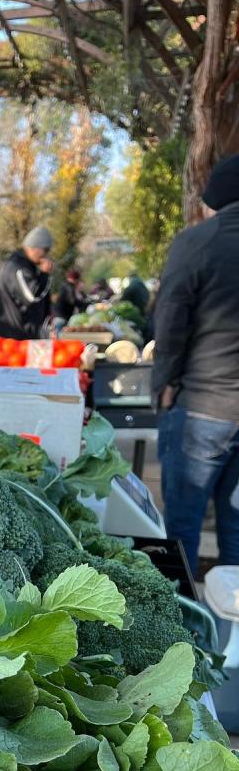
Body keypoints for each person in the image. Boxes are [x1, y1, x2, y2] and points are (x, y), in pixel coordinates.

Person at [153, 153, 239, 575]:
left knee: (181, 527)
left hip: (203, 407)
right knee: (237, 530)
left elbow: (170, 320)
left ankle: (183, 627)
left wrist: (164, 382)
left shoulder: (197, 242)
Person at [0, 226, 54, 340]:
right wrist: (44, 275)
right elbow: (32, 297)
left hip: (23, 335)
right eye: (45, 251)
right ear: (35, 248)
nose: (45, 256)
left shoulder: (27, 266)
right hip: (13, 337)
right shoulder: (17, 267)